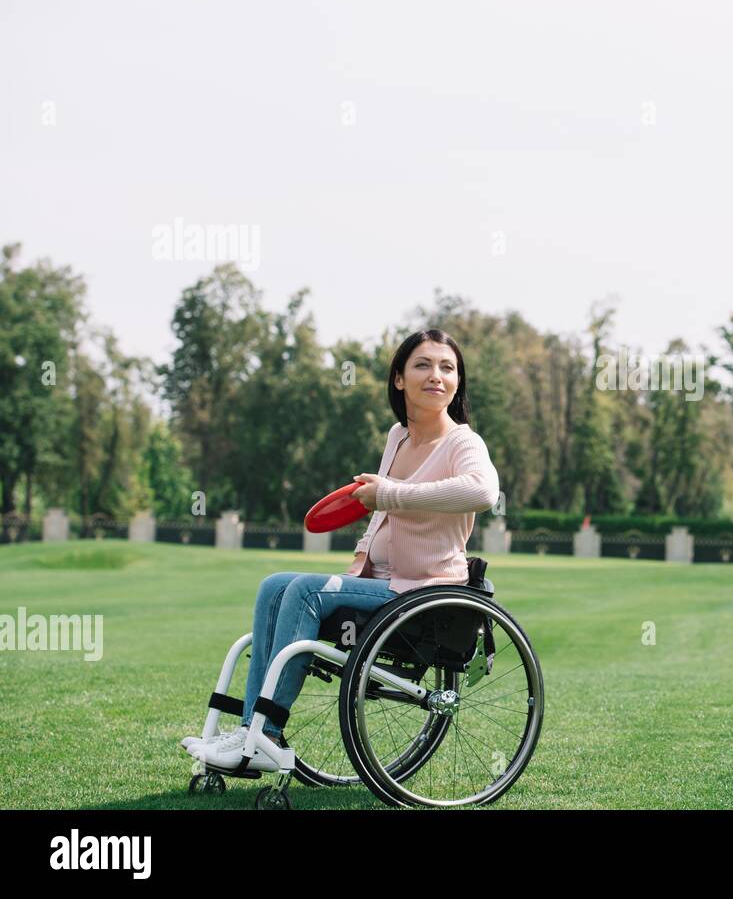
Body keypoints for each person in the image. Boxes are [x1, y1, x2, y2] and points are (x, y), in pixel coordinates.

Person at [180, 329, 500, 771]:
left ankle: (266, 734)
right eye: (423, 365)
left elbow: (482, 493)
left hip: (421, 590)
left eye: (448, 368)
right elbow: (378, 512)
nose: (437, 376)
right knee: (275, 585)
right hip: (380, 582)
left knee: (306, 591)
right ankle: (249, 731)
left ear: (458, 382)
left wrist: (391, 493)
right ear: (399, 379)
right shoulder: (399, 437)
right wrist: (359, 559)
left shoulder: (463, 443)